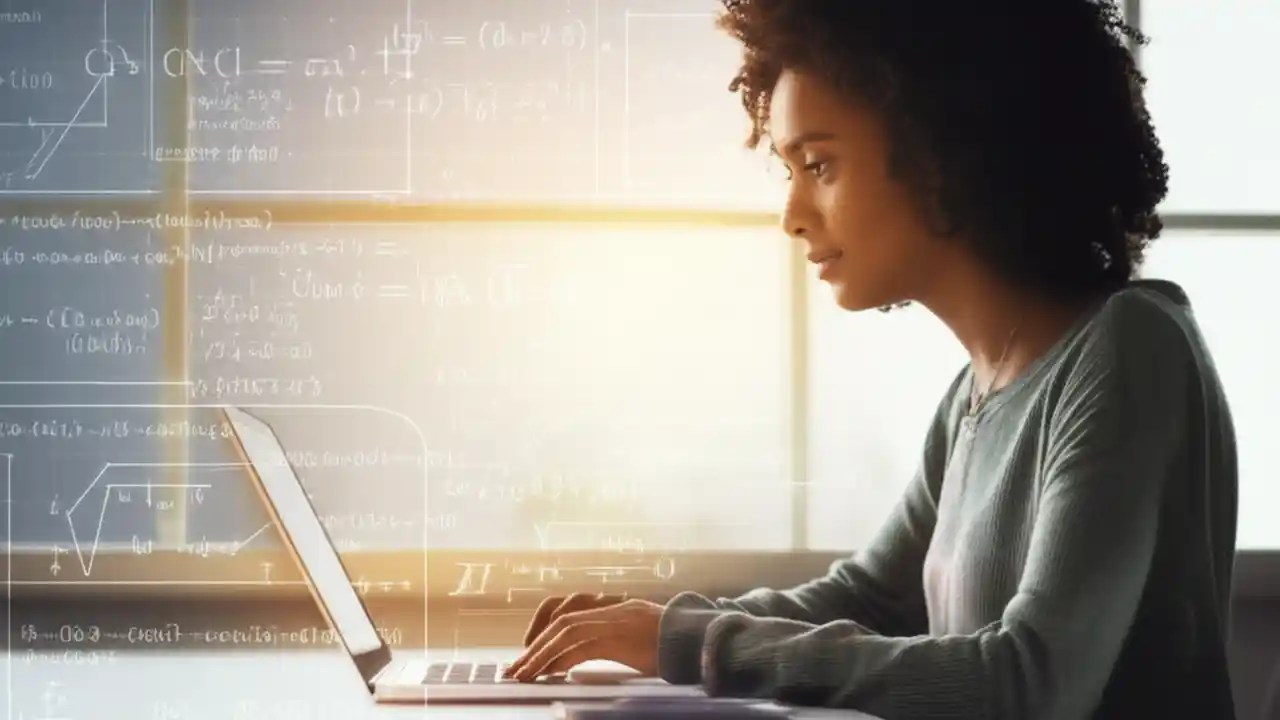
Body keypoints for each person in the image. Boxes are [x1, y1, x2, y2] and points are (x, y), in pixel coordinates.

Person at [503, 0, 1239, 716]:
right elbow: (864, 597)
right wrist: (660, 625)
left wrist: (696, 641)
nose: (792, 215)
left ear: (943, 148)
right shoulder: (974, 396)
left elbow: (1028, 684)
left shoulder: (1128, 348)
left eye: (818, 165)